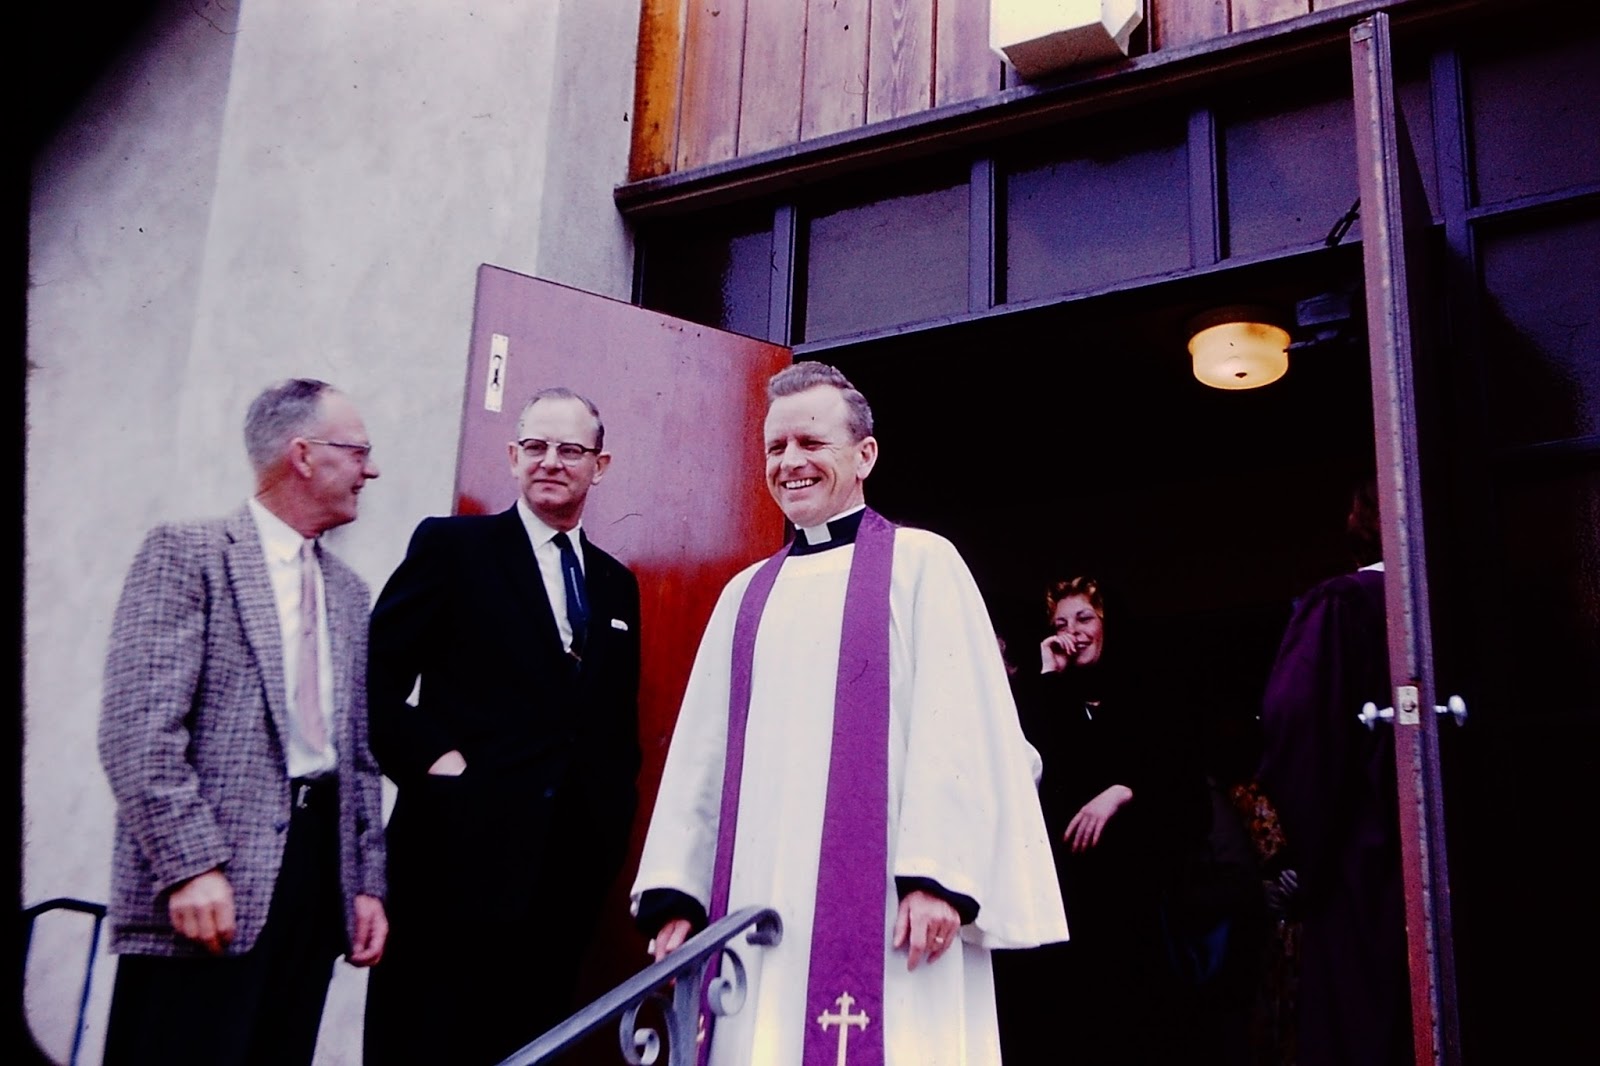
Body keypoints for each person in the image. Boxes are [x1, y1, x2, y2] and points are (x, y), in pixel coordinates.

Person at [630, 361, 1067, 1065]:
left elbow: (961, 734)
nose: (790, 462)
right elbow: (700, 755)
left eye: (811, 442)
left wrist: (936, 877)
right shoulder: (746, 593)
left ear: (865, 455)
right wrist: (677, 895)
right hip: (757, 906)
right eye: (776, 448)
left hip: (892, 911)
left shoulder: (923, 565)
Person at [97, 378, 389, 1066]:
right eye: (358, 452)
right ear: (303, 455)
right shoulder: (188, 555)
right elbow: (137, 730)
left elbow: (360, 758)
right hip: (210, 888)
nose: (370, 470)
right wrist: (190, 866)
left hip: (315, 884)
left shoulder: (349, 594)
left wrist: (367, 882)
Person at [363, 387, 642, 1065]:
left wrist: (608, 818)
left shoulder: (616, 583)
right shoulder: (452, 547)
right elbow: (367, 685)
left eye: (570, 449)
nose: (552, 461)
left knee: (526, 1045)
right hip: (450, 867)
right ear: (514, 458)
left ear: (599, 466)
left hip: (562, 882)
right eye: (537, 447)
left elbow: (612, 726)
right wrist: (438, 765)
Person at [998, 576, 1210, 1065]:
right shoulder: (1051, 700)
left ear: (1108, 623)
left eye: (1084, 618)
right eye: (1060, 623)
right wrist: (1050, 672)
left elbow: (1182, 789)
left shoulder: (1152, 692)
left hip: (1143, 910)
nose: (1073, 631)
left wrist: (1120, 792)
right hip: (1077, 909)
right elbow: (1055, 770)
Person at [1255, 479, 1411, 1066]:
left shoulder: (1341, 604)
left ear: (1360, 519)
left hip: (1356, 859)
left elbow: (1299, 729)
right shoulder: (1438, 600)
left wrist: (1303, 861)